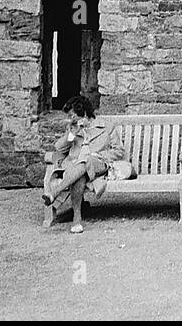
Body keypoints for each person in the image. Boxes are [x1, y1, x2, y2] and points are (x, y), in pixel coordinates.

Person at [43, 95, 126, 234]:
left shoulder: (106, 127)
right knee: (80, 174)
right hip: (77, 168)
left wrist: (98, 155)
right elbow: (59, 149)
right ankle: (77, 219)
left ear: (85, 113)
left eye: (72, 115)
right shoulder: (74, 128)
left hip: (98, 164)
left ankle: (55, 193)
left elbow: (118, 151)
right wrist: (71, 135)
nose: (70, 119)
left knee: (86, 161)